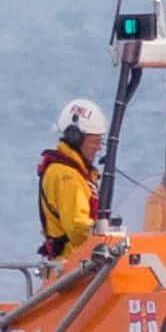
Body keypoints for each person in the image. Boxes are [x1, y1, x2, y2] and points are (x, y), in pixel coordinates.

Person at [37, 99, 107, 263]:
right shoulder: (66, 176)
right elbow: (78, 227)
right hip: (72, 268)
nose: (99, 148)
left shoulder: (75, 172)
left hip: (79, 265)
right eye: (95, 141)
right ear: (76, 138)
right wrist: (107, 236)